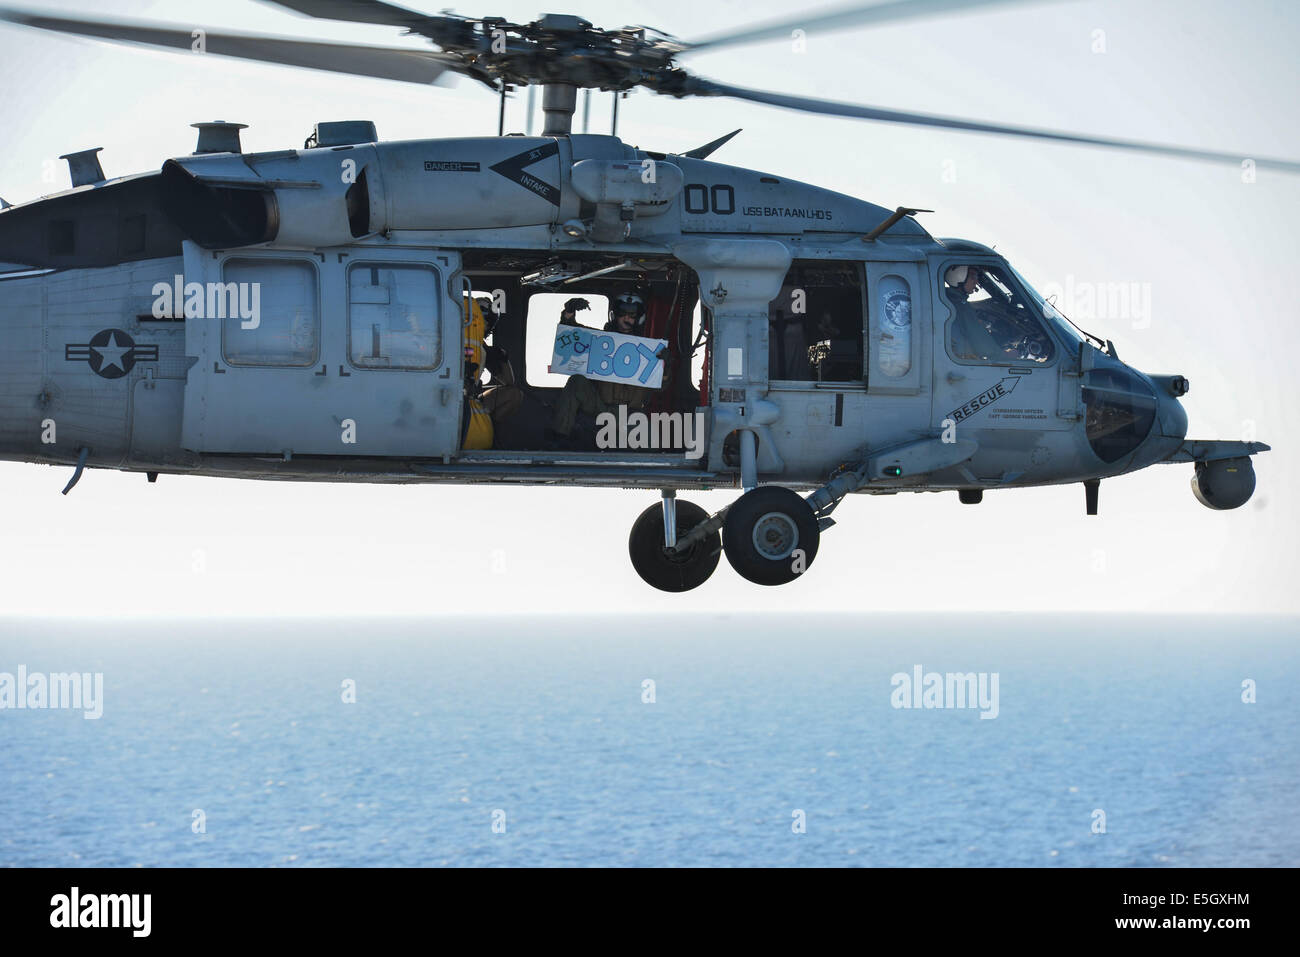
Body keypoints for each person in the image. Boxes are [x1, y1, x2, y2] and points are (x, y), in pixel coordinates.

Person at [546, 292, 663, 447]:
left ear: (639, 318)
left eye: (632, 315)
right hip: (599, 405)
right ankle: (559, 437)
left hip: (630, 413)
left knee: (652, 452)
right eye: (622, 313)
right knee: (576, 381)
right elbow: (573, 334)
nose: (626, 319)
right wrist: (569, 312)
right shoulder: (599, 340)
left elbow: (662, 387)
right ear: (614, 315)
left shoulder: (650, 349)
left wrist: (663, 365)